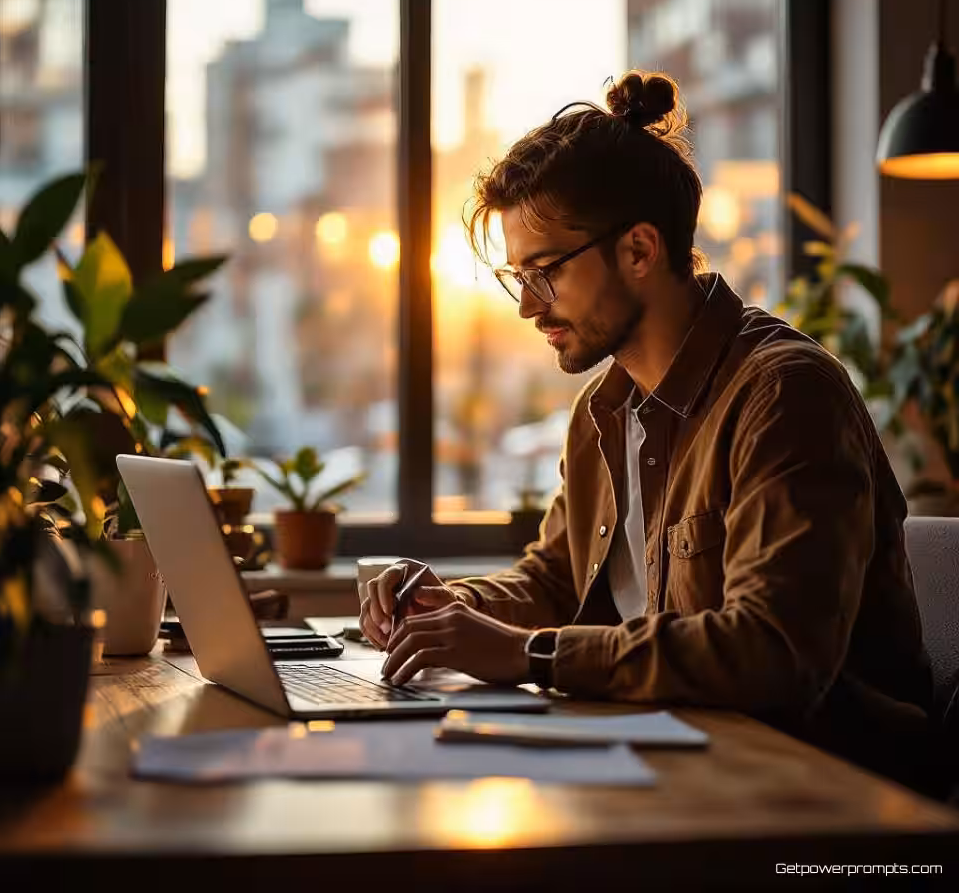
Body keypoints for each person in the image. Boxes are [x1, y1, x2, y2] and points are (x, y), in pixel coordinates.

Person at [359, 69, 934, 789]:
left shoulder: (785, 394)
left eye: (545, 272)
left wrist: (530, 655)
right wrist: (452, 607)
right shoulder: (601, 411)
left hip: (821, 790)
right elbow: (557, 579)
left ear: (638, 250)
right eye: (518, 279)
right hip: (679, 763)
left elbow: (773, 653)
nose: (528, 307)